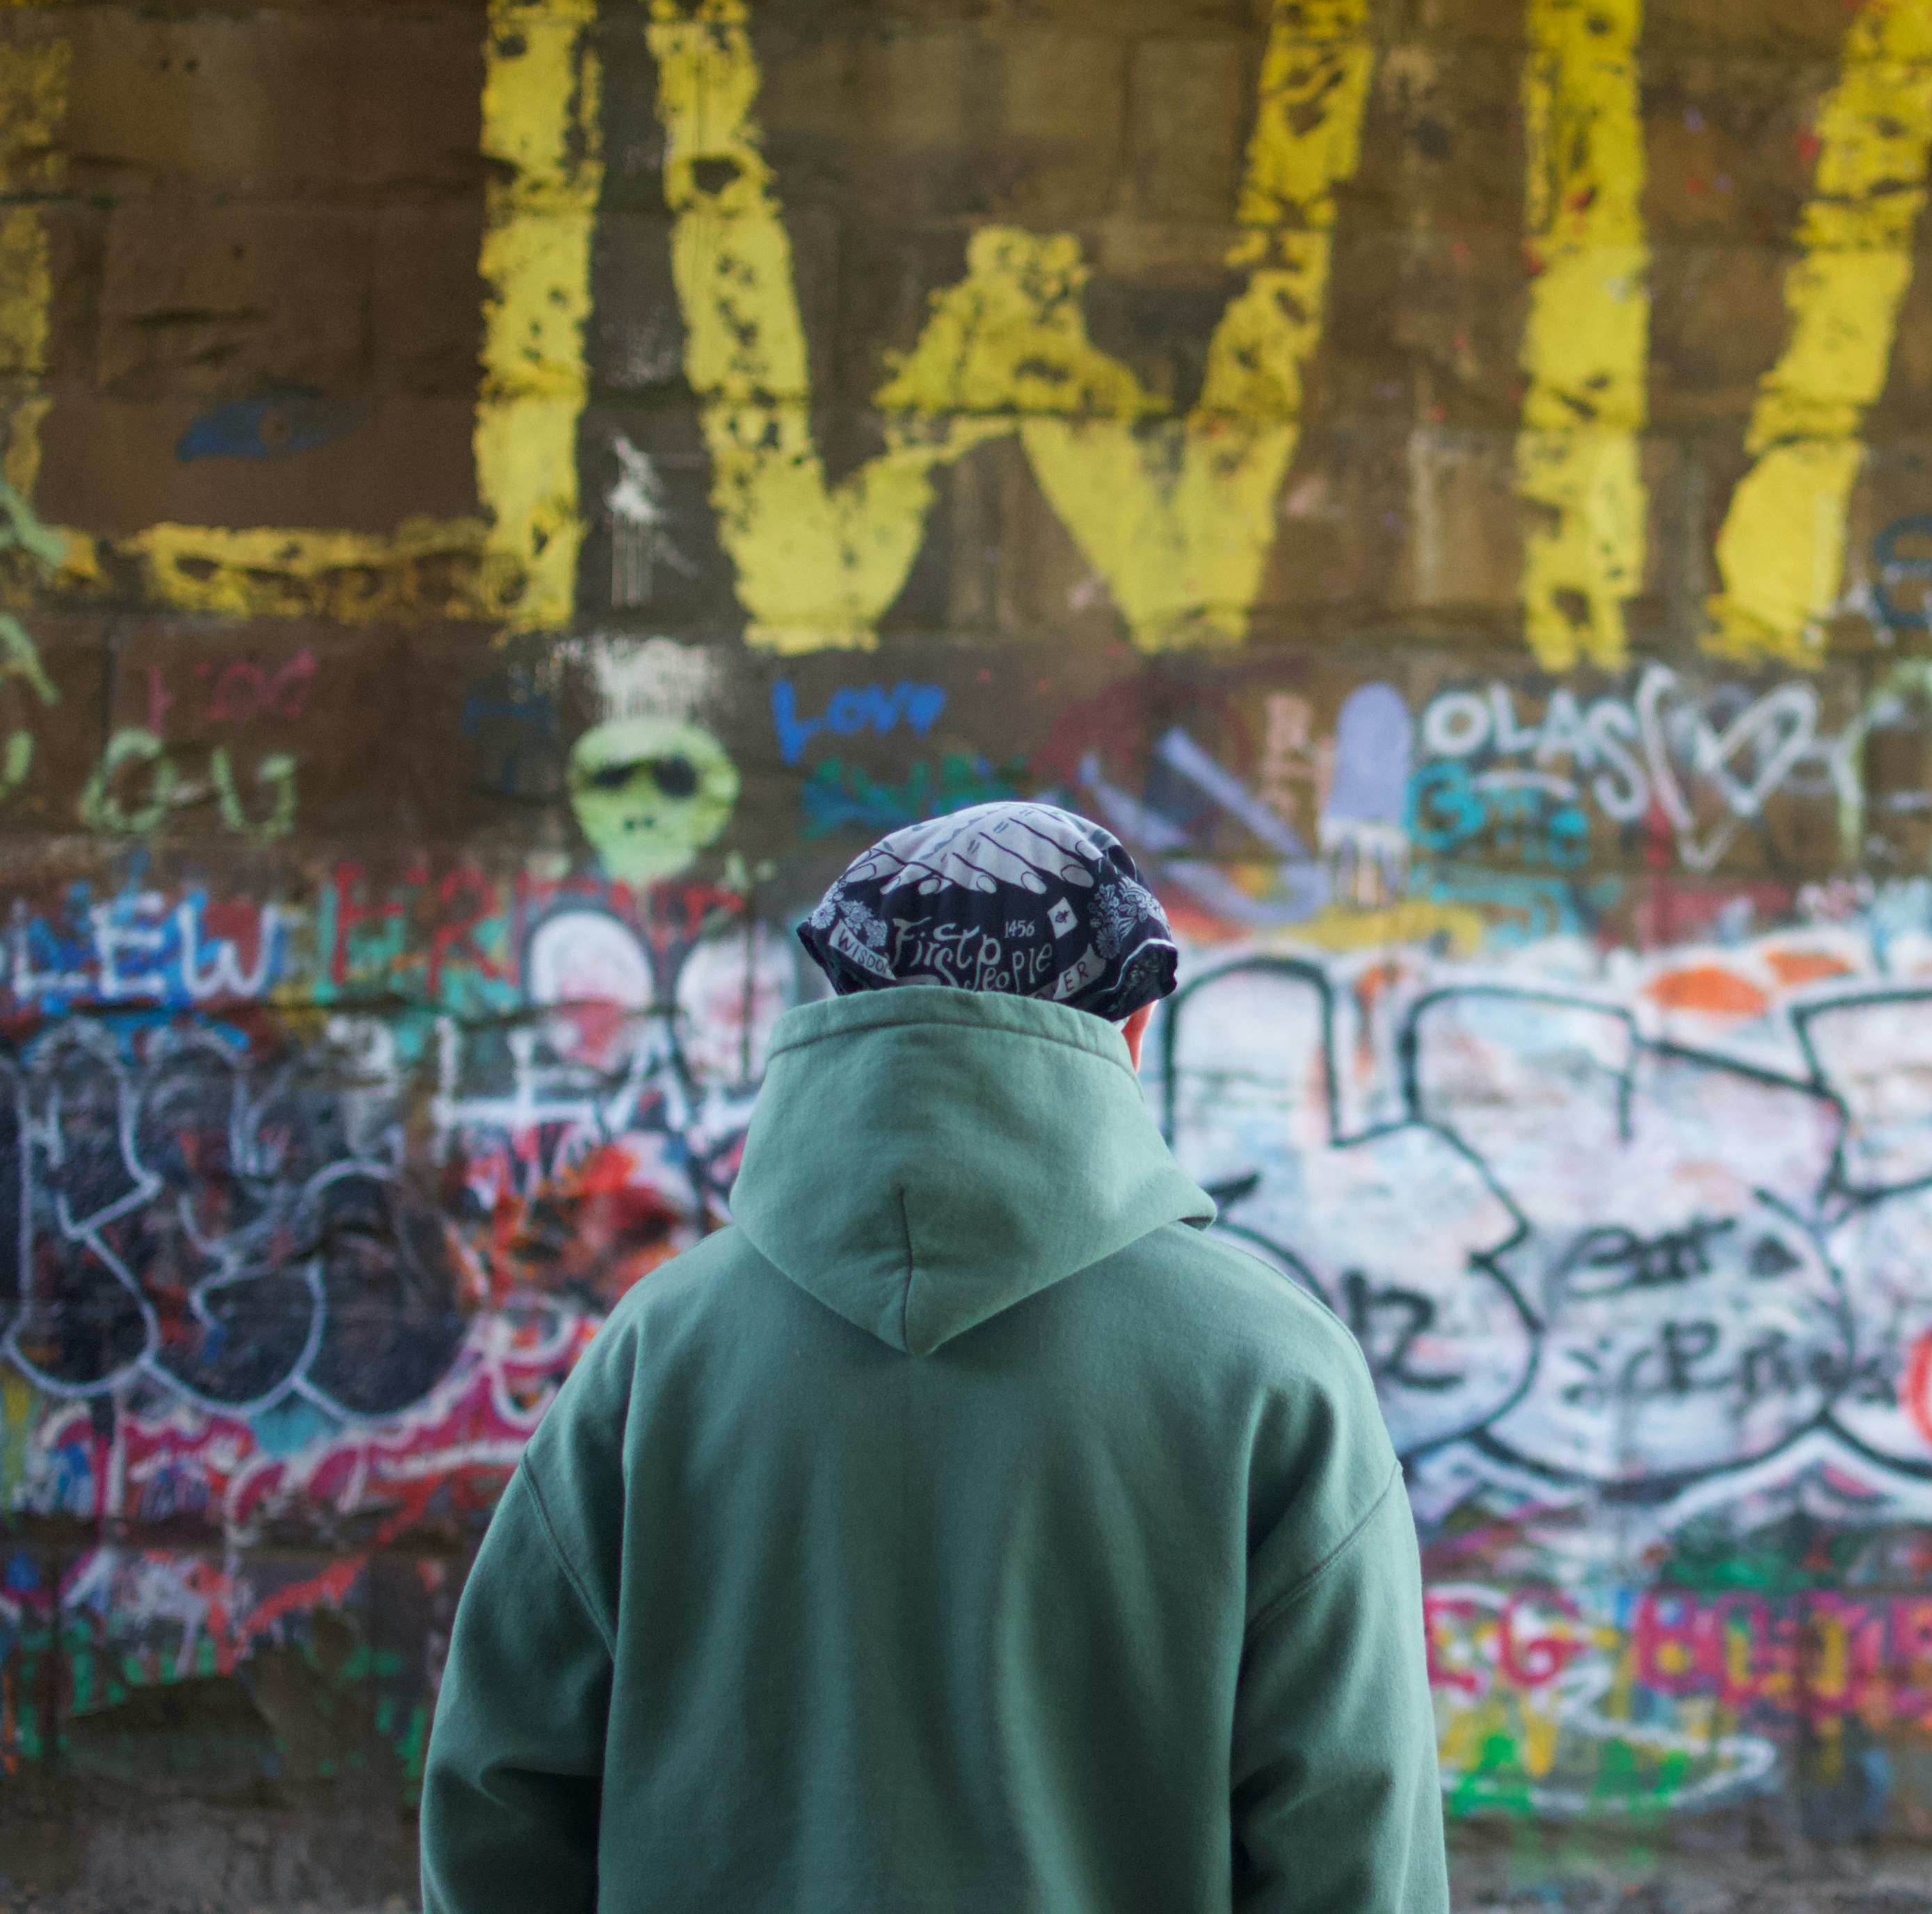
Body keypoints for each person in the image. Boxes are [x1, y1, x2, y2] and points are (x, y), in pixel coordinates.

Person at [420, 803, 1448, 1913]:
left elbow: (499, 1796)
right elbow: (1352, 1850)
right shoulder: (1277, 1376)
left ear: (841, 1009)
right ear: (1134, 1028)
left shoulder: (652, 1352)